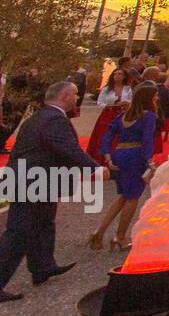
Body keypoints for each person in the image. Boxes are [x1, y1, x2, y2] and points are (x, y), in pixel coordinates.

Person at [0, 82, 102, 303]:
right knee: (18, 234)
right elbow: (68, 148)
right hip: (32, 184)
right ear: (65, 96)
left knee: (44, 224)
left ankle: (43, 267)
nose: (77, 98)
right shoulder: (54, 120)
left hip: (35, 182)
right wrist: (96, 169)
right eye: (75, 95)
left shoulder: (39, 117)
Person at [89, 84, 158, 251]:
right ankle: (120, 236)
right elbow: (147, 139)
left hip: (119, 154)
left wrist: (107, 155)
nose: (157, 98)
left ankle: (100, 231)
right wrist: (150, 161)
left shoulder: (123, 115)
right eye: (155, 96)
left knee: (123, 197)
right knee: (132, 198)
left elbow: (108, 135)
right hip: (135, 156)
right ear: (149, 98)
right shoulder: (148, 116)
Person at [89, 67, 133, 165]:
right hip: (108, 114)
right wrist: (110, 105)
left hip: (122, 114)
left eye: (120, 74)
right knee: (103, 135)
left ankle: (117, 160)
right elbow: (99, 102)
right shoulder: (106, 89)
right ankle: (100, 160)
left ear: (124, 76)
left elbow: (131, 101)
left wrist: (126, 104)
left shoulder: (128, 89)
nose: (117, 76)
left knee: (119, 136)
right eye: (115, 74)